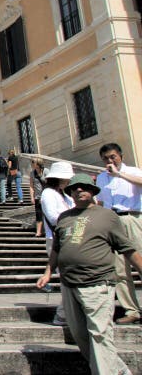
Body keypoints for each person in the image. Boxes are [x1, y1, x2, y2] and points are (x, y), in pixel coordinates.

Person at [37, 173, 142, 375]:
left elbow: (127, 248)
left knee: (99, 334)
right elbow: (57, 249)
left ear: (93, 191)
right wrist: (48, 272)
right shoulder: (64, 218)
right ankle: (118, 370)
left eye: (84, 187)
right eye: (74, 188)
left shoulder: (107, 216)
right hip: (69, 284)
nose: (79, 190)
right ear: (69, 193)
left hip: (97, 283)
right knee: (79, 334)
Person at [95, 142, 142, 325]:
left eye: (113, 156)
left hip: (133, 218)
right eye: (106, 158)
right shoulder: (101, 178)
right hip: (111, 222)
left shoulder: (134, 171)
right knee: (120, 269)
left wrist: (119, 174)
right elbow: (99, 202)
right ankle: (132, 310)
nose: (109, 160)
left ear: (120, 155)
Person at [40, 161, 74, 323]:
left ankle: (65, 313)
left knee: (69, 277)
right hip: (56, 239)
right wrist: (73, 217)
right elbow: (53, 217)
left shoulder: (65, 195)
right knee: (66, 277)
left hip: (71, 238)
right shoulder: (48, 193)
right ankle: (62, 314)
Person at [29, 158, 48, 237]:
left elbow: (51, 183)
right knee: (38, 214)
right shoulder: (32, 173)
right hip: (38, 197)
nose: (32, 163)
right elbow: (31, 186)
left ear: (38, 163)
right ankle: (38, 231)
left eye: (33, 162)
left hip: (47, 196)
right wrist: (32, 197)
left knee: (48, 214)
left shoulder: (46, 171)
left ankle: (48, 230)